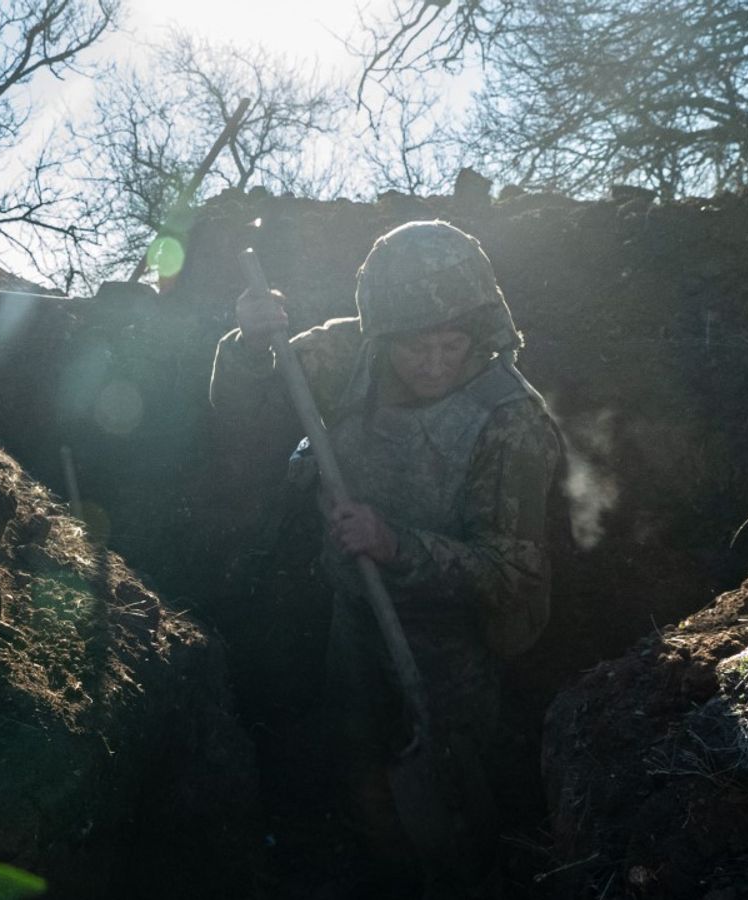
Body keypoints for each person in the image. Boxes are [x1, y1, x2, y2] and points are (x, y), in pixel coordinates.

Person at [209, 220, 563, 893]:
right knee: (360, 770)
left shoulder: (512, 422)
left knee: (457, 798)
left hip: (457, 643)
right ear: (383, 336)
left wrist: (397, 544)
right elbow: (242, 406)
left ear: (480, 332)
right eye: (414, 349)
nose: (433, 365)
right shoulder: (351, 354)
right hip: (353, 614)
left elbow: (515, 574)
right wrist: (252, 344)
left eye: (450, 346)